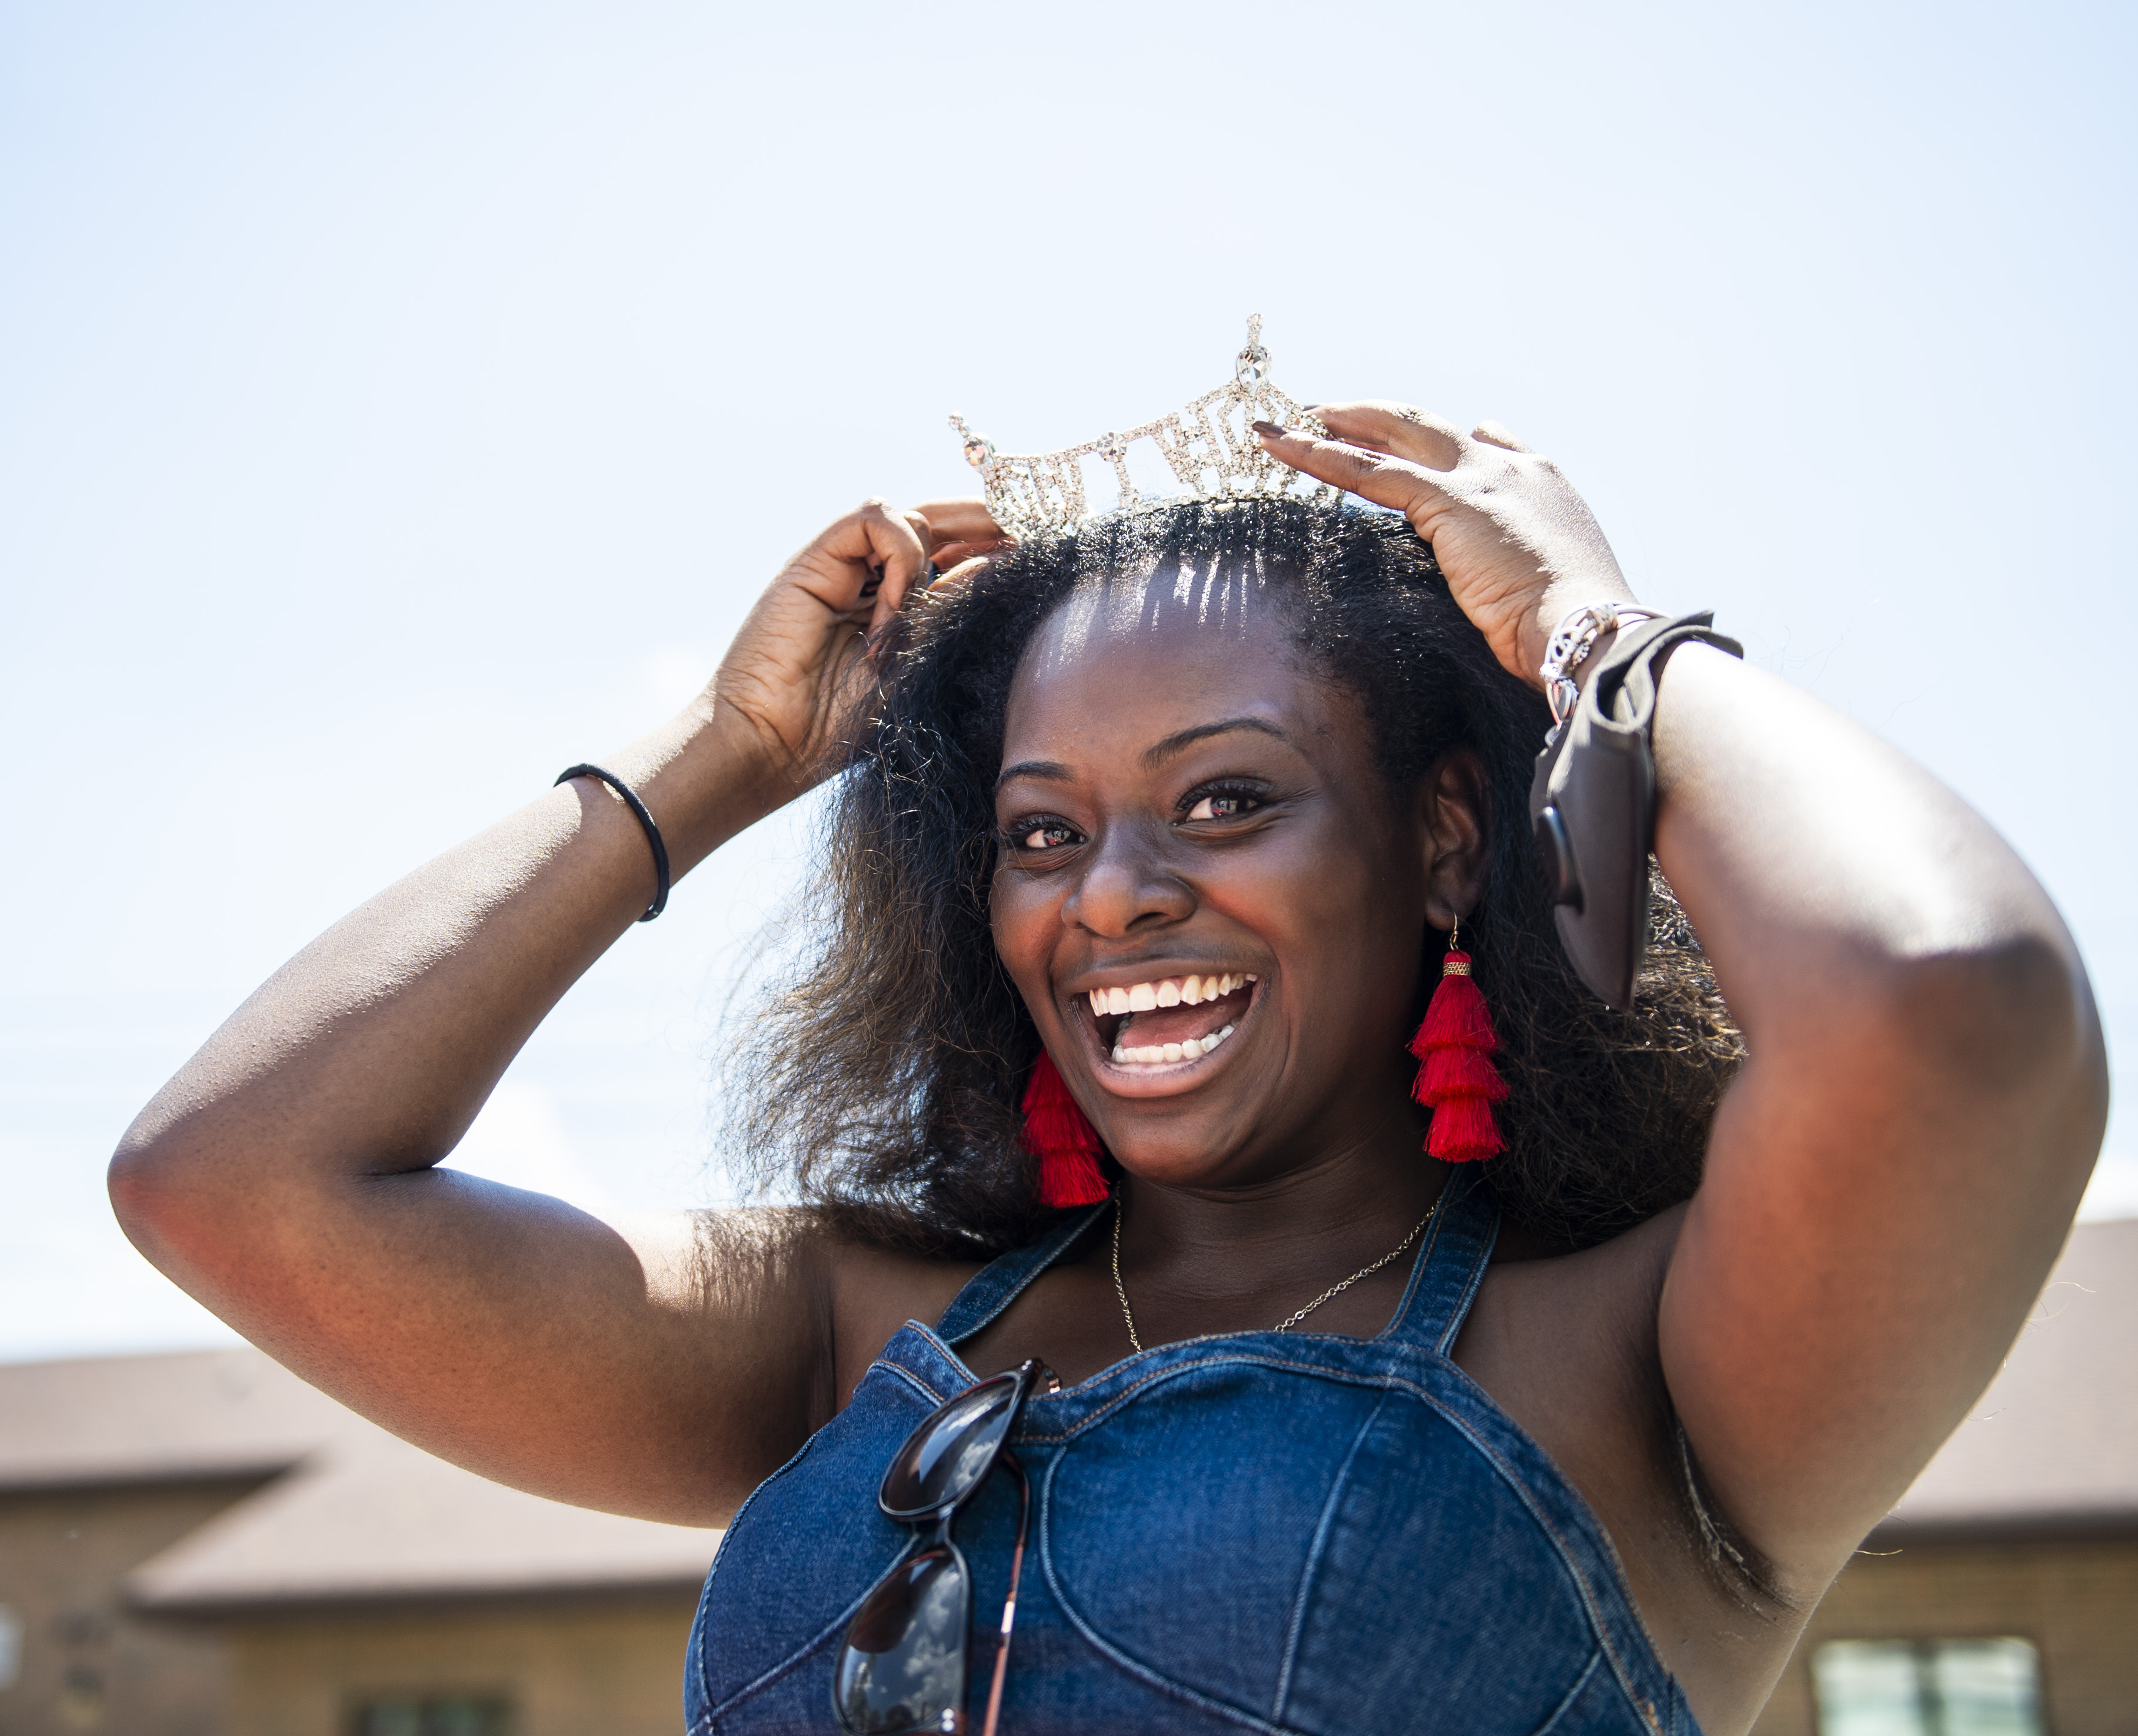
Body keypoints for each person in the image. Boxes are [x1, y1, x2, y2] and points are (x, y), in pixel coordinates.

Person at [108, 387, 2104, 1735]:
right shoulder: (849, 1330)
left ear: (1441, 840)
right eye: (1040, 830)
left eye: (1226, 801)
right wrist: (726, 759)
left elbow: (1947, 996)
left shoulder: (1638, 1362)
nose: (1113, 894)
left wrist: (1594, 639)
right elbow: (231, 1183)